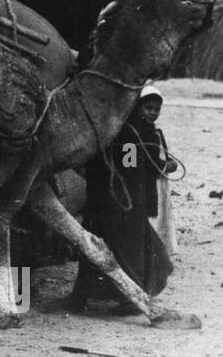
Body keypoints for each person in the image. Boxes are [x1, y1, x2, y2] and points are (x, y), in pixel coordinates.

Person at [70, 84, 178, 312]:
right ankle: (125, 298)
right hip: (124, 202)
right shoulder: (131, 133)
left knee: (105, 245)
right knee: (127, 249)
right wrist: (162, 166)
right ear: (136, 106)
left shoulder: (137, 130)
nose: (152, 113)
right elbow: (131, 166)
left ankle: (90, 296)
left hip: (119, 200)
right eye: (148, 108)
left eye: (156, 109)